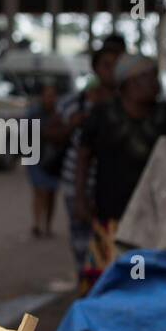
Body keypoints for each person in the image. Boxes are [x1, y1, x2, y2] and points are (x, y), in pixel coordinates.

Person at [74, 55, 166, 230]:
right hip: (110, 211)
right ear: (129, 82)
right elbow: (83, 157)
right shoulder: (102, 114)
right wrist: (80, 199)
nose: (155, 82)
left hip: (156, 214)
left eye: (155, 76)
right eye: (148, 76)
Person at [49, 37, 125, 283]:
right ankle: (87, 292)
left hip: (114, 190)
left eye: (117, 64)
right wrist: (72, 126)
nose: (112, 70)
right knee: (83, 245)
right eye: (106, 64)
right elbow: (50, 133)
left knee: (116, 246)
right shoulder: (76, 102)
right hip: (78, 185)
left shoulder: (128, 104)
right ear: (95, 68)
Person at [25, 83, 62, 238]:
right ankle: (37, 224)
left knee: (51, 193)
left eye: (52, 96)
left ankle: (47, 225)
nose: (50, 99)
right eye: (47, 95)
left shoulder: (59, 114)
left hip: (53, 160)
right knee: (39, 190)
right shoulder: (34, 113)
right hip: (36, 157)